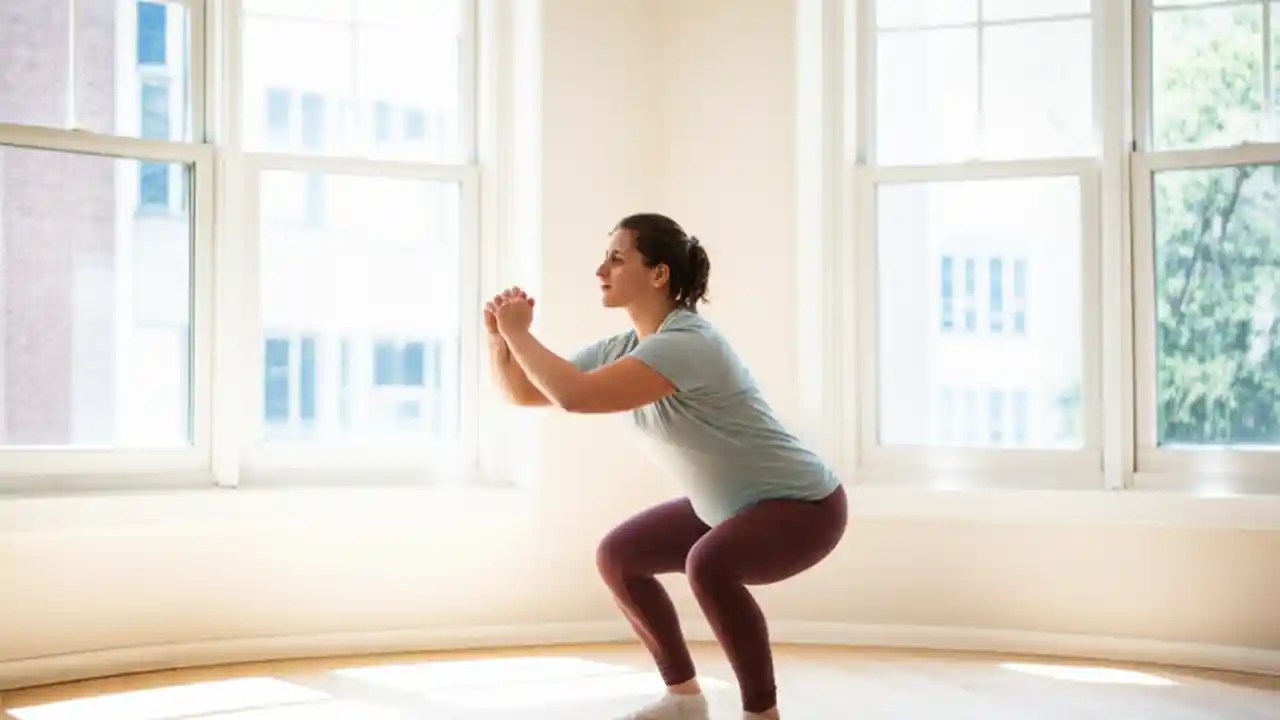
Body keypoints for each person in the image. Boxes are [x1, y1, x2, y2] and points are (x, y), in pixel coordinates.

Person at [484, 213, 847, 720]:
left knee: (710, 564)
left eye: (616, 257)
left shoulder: (687, 343)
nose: (600, 269)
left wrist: (520, 334)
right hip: (728, 507)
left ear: (658, 275)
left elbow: (574, 396)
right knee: (619, 556)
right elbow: (526, 393)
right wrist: (500, 340)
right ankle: (683, 701)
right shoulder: (627, 346)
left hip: (803, 506)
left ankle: (762, 715)